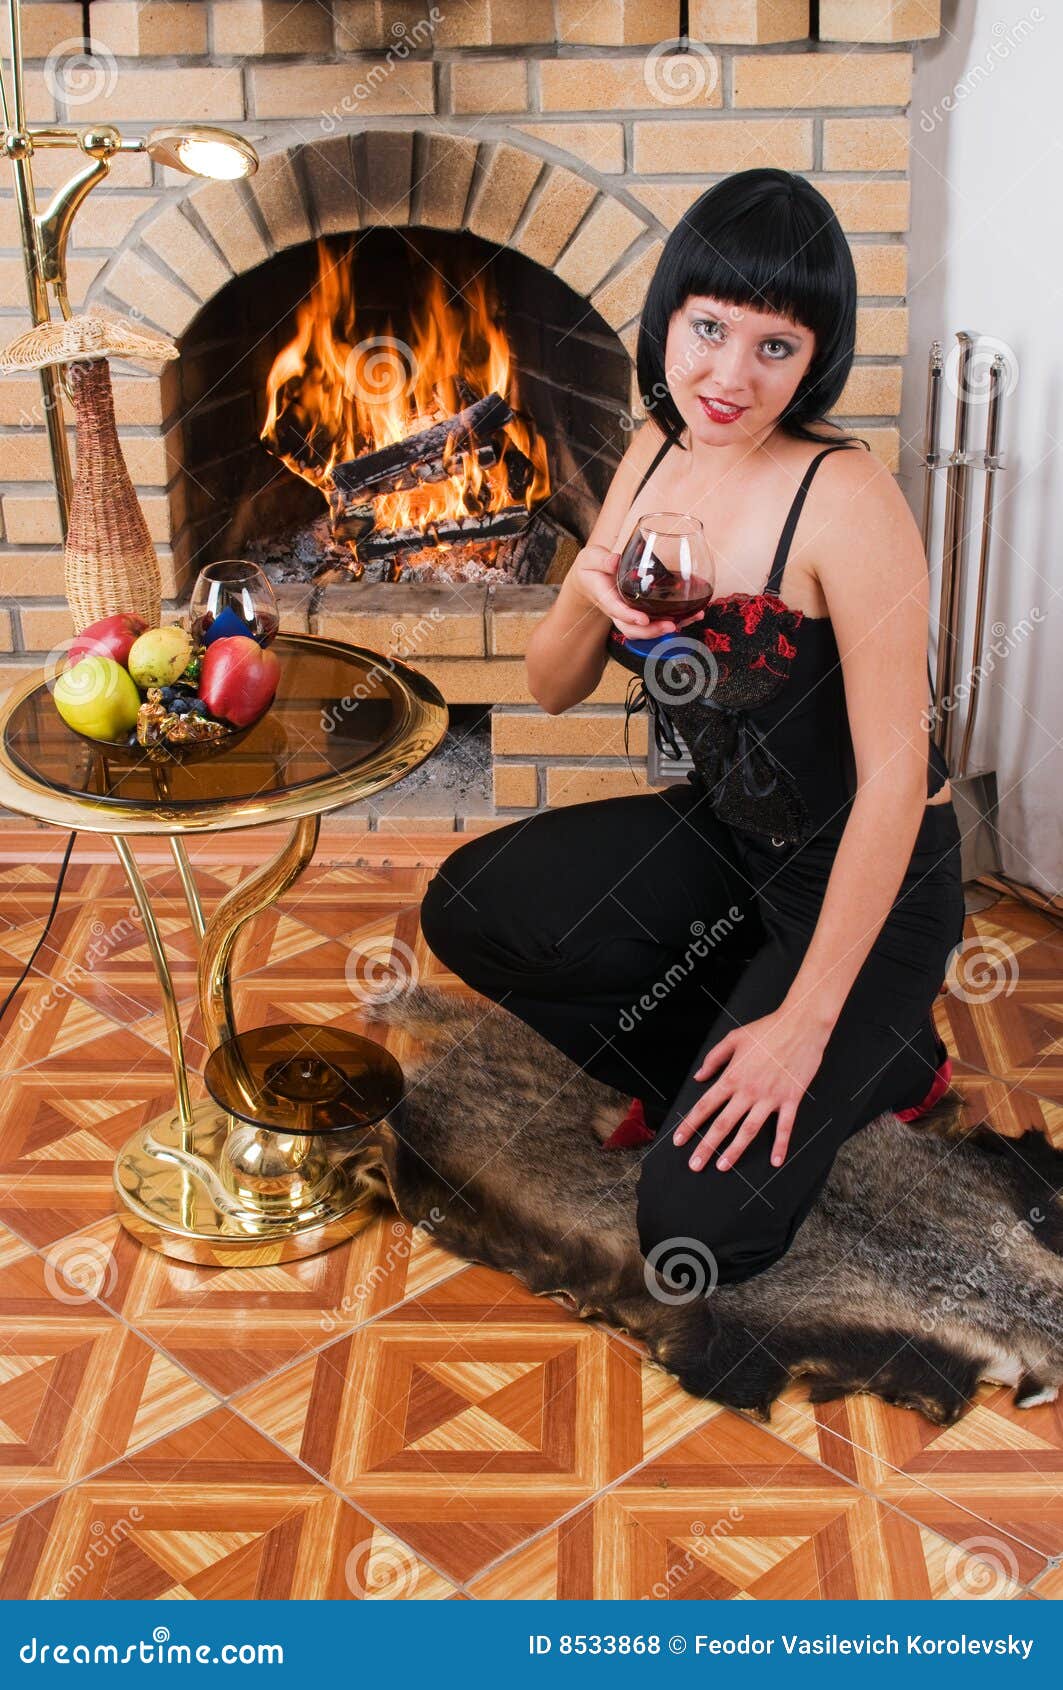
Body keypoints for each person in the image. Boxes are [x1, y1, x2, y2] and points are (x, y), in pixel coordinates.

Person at [418, 167, 966, 1290]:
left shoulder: (848, 500)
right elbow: (551, 686)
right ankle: (718, 1065)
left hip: (873, 875)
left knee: (692, 1233)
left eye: (776, 346)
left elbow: (893, 781)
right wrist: (588, 590)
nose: (728, 375)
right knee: (470, 906)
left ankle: (882, 1052)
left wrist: (805, 1024)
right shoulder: (658, 445)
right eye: (708, 328)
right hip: (732, 841)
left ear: (817, 358)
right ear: (667, 314)